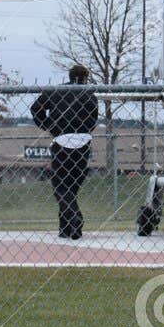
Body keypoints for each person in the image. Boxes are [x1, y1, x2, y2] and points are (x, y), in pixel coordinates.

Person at [31, 65, 99, 239]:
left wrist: (49, 125)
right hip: (83, 142)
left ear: (69, 76)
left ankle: (74, 219)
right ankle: (66, 228)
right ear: (85, 78)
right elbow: (94, 118)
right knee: (72, 185)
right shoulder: (89, 94)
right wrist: (84, 129)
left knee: (61, 186)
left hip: (61, 142)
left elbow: (36, 108)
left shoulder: (56, 91)